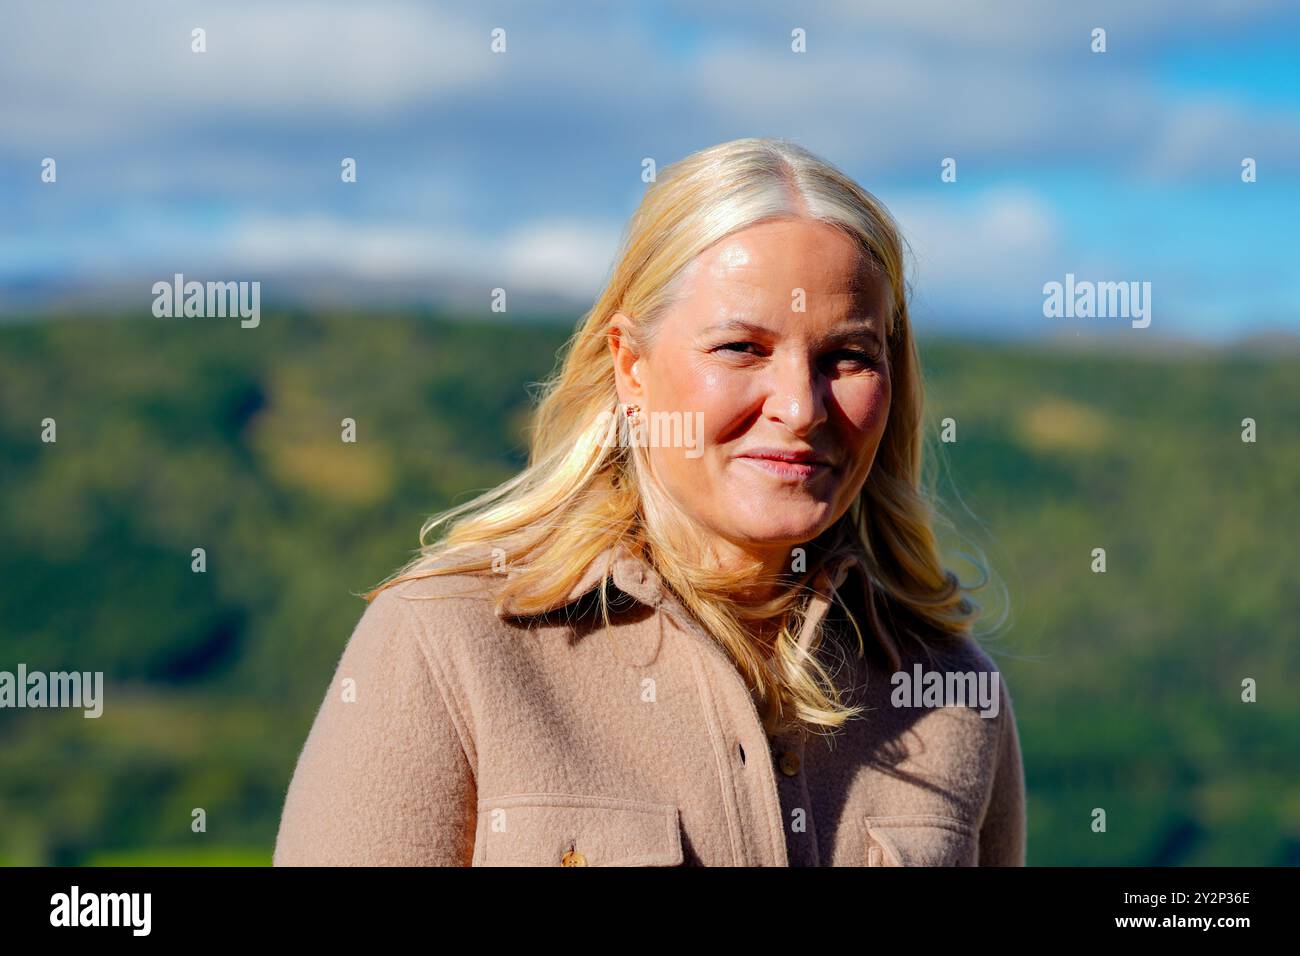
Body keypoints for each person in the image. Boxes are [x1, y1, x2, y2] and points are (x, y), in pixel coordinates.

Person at [273, 137, 1025, 866]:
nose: (800, 407)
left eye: (847, 357)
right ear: (630, 367)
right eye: (741, 348)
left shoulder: (954, 694)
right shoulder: (447, 644)